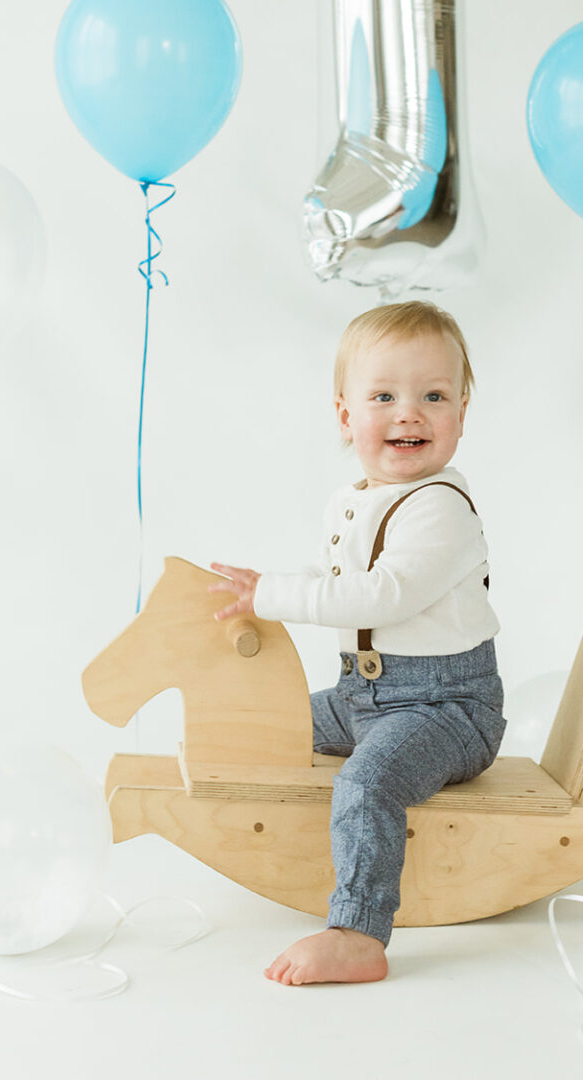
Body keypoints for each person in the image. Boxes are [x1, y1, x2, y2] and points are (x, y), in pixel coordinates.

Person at [210, 301, 505, 985]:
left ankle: (359, 931)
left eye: (434, 396)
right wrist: (265, 596)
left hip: (446, 708)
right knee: (269, 725)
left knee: (367, 781)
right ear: (346, 416)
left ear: (462, 411)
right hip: (362, 695)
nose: (410, 413)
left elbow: (381, 596)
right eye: (384, 396)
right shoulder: (354, 498)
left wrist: (273, 594)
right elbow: (342, 581)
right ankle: (239, 826)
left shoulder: (441, 509)